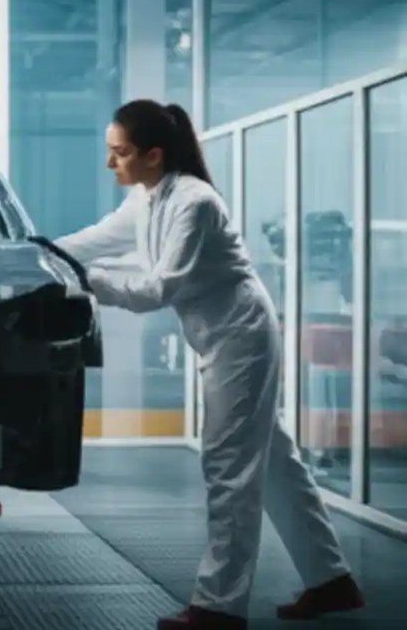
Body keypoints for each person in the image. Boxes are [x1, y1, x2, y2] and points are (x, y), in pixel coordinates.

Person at [55, 100, 365, 630]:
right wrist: (40, 253)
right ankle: (331, 580)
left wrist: (90, 282)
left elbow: (159, 288)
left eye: (120, 153)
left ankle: (219, 607)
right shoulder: (148, 196)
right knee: (273, 464)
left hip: (241, 338)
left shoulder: (195, 203)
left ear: (154, 154)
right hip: (221, 336)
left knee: (229, 468)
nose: (111, 163)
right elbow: (96, 237)